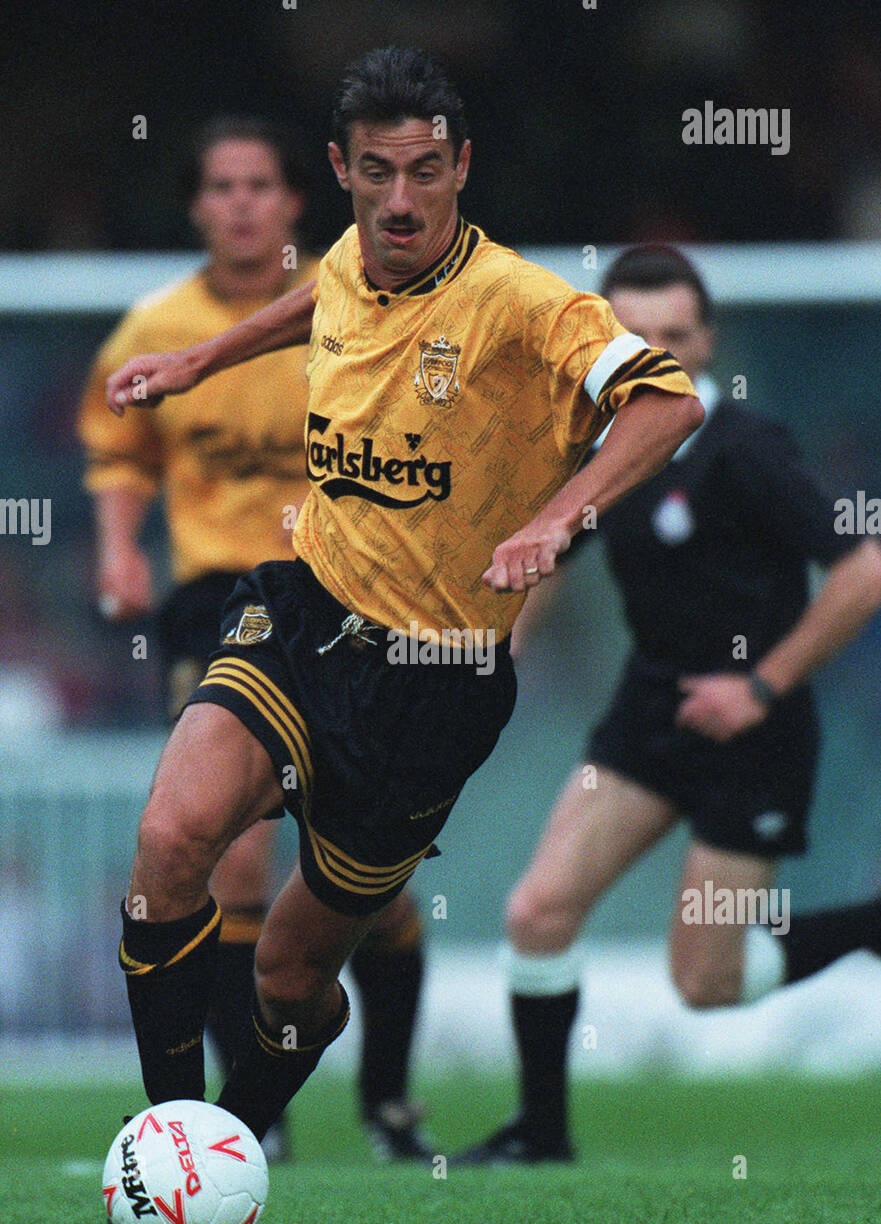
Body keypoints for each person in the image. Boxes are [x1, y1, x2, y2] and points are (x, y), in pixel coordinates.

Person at [102, 49, 702, 1151]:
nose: (398, 199)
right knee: (170, 835)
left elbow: (668, 402)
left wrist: (553, 516)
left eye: (424, 171)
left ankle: (238, 1132)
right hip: (302, 611)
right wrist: (201, 358)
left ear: (461, 167)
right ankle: (172, 1134)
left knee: (291, 978)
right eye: (375, 171)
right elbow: (311, 301)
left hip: (432, 687)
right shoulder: (346, 255)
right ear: (339, 168)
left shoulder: (519, 303)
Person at [456, 244, 881, 1165]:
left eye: (675, 336)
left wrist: (759, 685)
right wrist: (492, 653)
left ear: (706, 340)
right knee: (536, 913)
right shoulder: (601, 454)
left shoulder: (747, 449)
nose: (657, 351)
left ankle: (867, 924)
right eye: (634, 335)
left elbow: (863, 569)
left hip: (756, 726)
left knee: (705, 986)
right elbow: (542, 562)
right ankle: (541, 1133)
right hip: (649, 715)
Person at [80, 115, 432, 1161]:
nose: (238, 203)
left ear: (293, 201)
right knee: (226, 863)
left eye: (257, 185)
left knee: (374, 884)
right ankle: (238, 1126)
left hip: (345, 599)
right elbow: (121, 450)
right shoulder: (154, 324)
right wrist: (114, 547)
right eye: (219, 186)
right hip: (216, 604)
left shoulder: (350, 312)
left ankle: (388, 1105)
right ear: (196, 206)